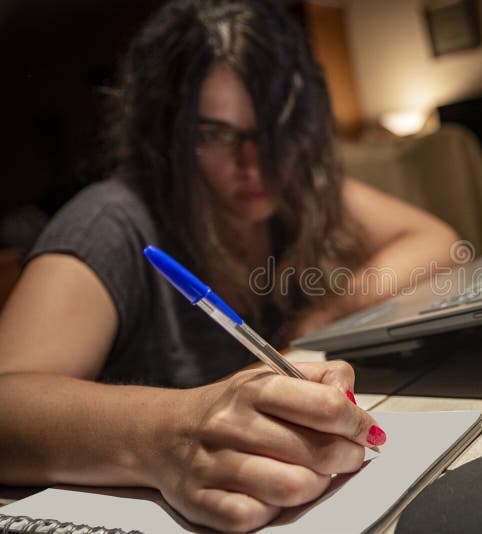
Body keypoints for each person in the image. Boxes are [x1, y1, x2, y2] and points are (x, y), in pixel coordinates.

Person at [0, 0, 458, 531]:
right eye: (215, 134)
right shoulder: (111, 223)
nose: (255, 161)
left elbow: (436, 241)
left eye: (276, 127)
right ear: (166, 139)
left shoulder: (291, 187)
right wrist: (174, 431)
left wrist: (323, 315)